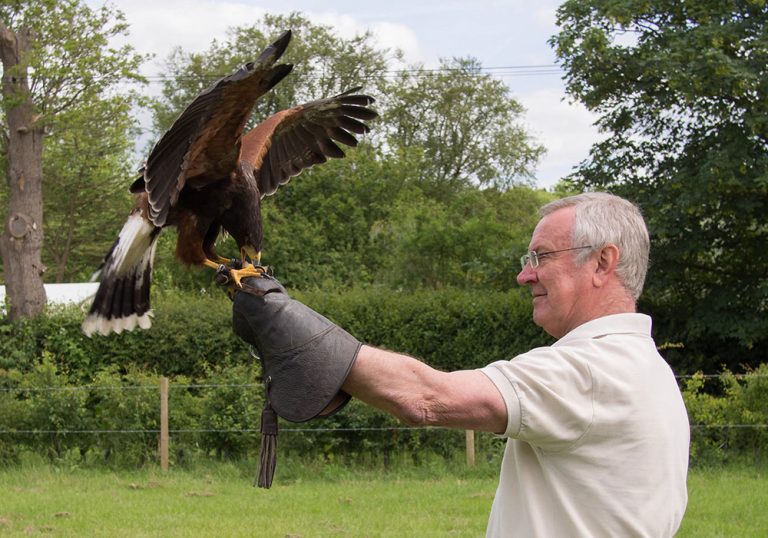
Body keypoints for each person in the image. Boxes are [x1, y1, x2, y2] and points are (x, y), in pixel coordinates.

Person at [229, 192, 690, 537]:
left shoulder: (594, 369)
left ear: (603, 262)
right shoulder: (650, 371)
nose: (524, 274)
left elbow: (427, 398)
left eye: (541, 257)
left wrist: (287, 321)